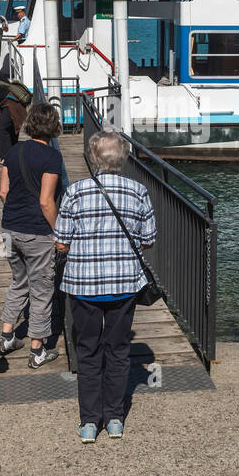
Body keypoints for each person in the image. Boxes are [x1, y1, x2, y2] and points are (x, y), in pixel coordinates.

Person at [54, 130, 156, 443]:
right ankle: (114, 419)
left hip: (83, 284)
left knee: (87, 351)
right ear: (122, 158)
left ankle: (88, 423)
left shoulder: (75, 192)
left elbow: (60, 243)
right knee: (118, 350)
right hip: (124, 283)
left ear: (94, 158)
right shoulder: (139, 191)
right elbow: (149, 240)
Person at [0, 102, 65, 368]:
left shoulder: (13, 151)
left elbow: (3, 192)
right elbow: (46, 202)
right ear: (54, 127)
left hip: (8, 230)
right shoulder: (52, 157)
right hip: (36, 233)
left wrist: (16, 215)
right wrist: (60, 233)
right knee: (41, 291)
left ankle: (7, 336)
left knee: (18, 281)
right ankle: (37, 352)